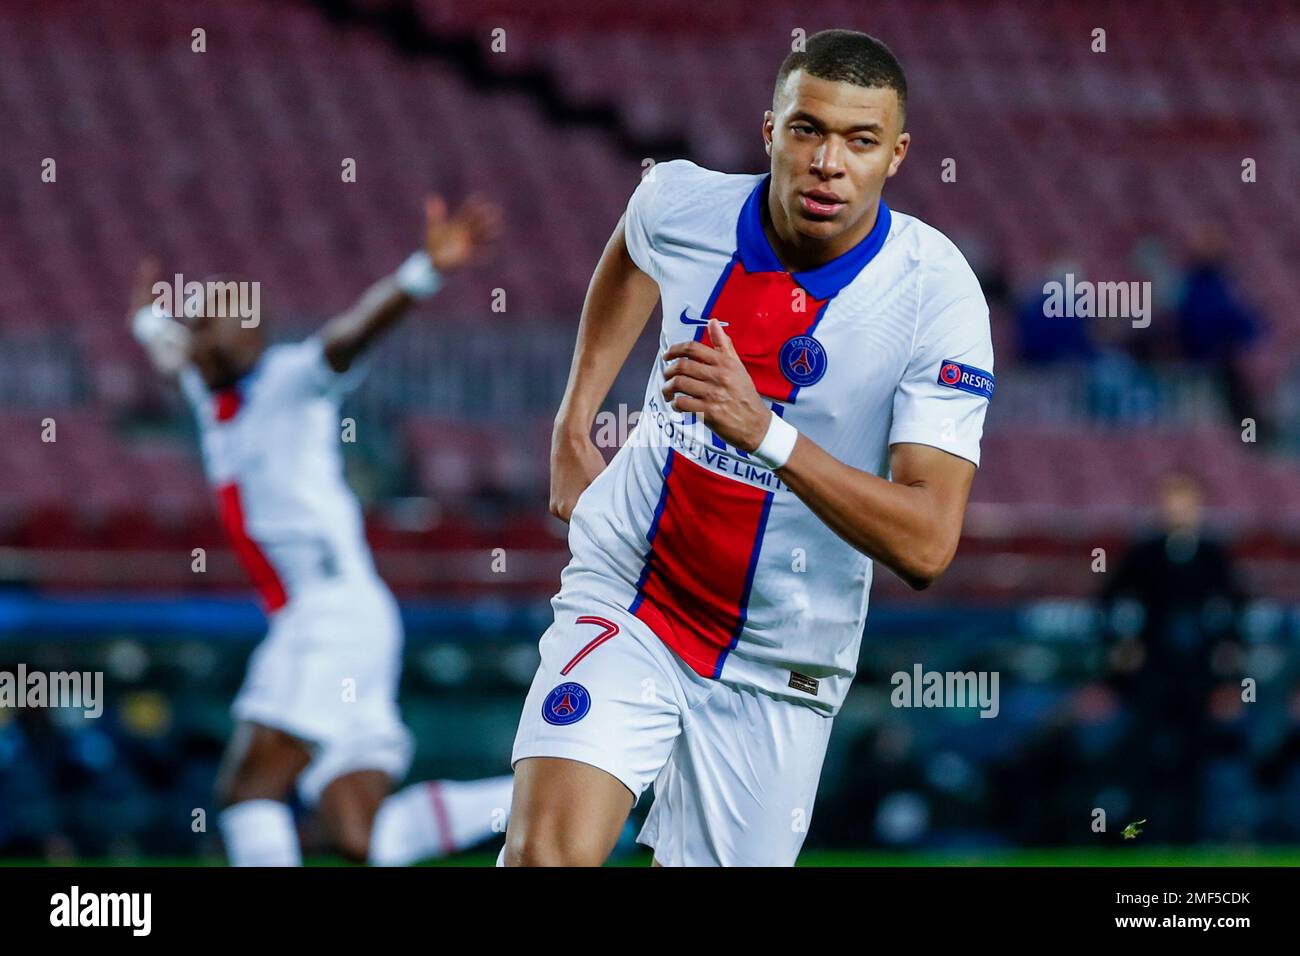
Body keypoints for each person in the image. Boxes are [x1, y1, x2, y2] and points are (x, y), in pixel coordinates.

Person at [503, 30, 995, 866]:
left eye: (860, 140)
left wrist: (764, 432)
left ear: (898, 155)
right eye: (808, 130)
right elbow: (633, 241)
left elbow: (926, 542)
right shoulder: (681, 202)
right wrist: (573, 423)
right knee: (546, 857)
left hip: (785, 656)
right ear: (770, 132)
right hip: (634, 594)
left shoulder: (937, 297)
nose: (828, 162)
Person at [128, 196, 515, 865]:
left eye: (227, 326)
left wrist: (423, 270)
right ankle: (539, 797)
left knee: (251, 786)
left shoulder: (290, 379)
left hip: (328, 615)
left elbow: (352, 334)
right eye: (204, 325)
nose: (212, 337)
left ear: (255, 336)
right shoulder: (206, 386)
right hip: (342, 617)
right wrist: (144, 317)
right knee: (358, 837)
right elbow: (168, 348)